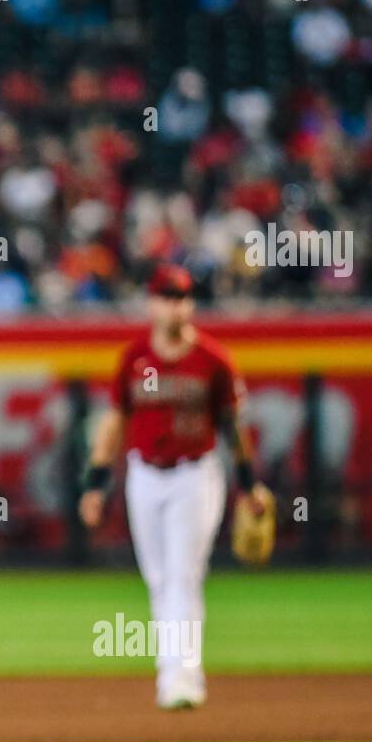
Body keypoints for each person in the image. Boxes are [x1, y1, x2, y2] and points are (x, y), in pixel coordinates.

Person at [79, 265, 271, 708]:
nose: (175, 304)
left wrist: (248, 483)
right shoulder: (134, 358)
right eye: (167, 296)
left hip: (195, 474)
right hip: (144, 474)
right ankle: (175, 673)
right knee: (159, 579)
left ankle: (181, 678)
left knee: (183, 575)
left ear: (191, 303)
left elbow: (232, 425)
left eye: (182, 296)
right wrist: (95, 483)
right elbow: (115, 420)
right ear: (151, 302)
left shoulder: (213, 359)